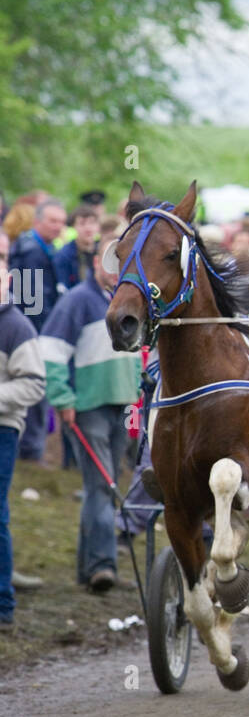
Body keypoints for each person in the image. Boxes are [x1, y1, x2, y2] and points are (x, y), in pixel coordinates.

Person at [39, 251, 140, 591]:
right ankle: (103, 565)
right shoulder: (78, 301)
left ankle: (92, 566)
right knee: (101, 484)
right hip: (88, 407)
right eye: (110, 264)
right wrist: (63, 399)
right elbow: (51, 350)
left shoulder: (127, 300)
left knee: (108, 483)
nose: (115, 272)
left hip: (121, 404)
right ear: (96, 262)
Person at [0, 249, 47, 623]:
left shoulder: (17, 326)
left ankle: (3, 606)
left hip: (3, 430)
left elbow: (34, 384)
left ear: (9, 282)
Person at [8, 197, 66, 459]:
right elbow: (31, 302)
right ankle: (31, 451)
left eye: (62, 222)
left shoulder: (39, 246)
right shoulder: (32, 250)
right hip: (33, 332)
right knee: (34, 389)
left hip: (27, 327)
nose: (58, 227)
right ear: (38, 221)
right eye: (52, 221)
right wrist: (43, 335)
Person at [55, 205, 101, 290]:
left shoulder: (103, 251)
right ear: (73, 226)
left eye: (92, 222)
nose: (88, 228)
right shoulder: (64, 255)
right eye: (82, 223)